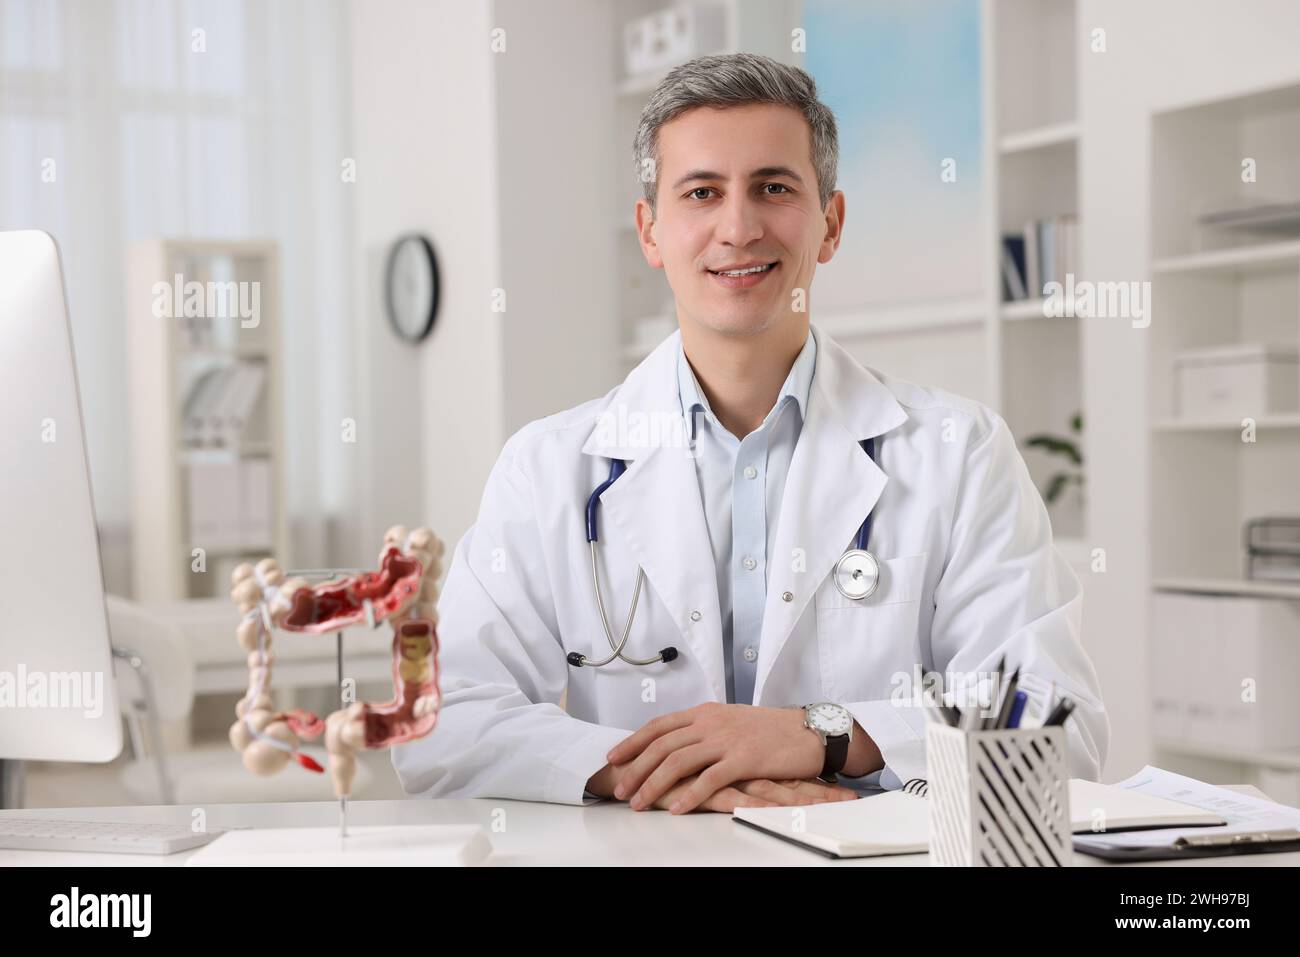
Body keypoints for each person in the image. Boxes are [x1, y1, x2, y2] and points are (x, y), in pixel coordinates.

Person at [392, 52, 1107, 814]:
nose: (738, 227)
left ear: (829, 224)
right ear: (651, 232)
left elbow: (1052, 730)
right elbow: (441, 725)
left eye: (774, 187)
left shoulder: (958, 451)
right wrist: (684, 771)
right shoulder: (549, 467)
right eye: (702, 192)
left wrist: (818, 734)